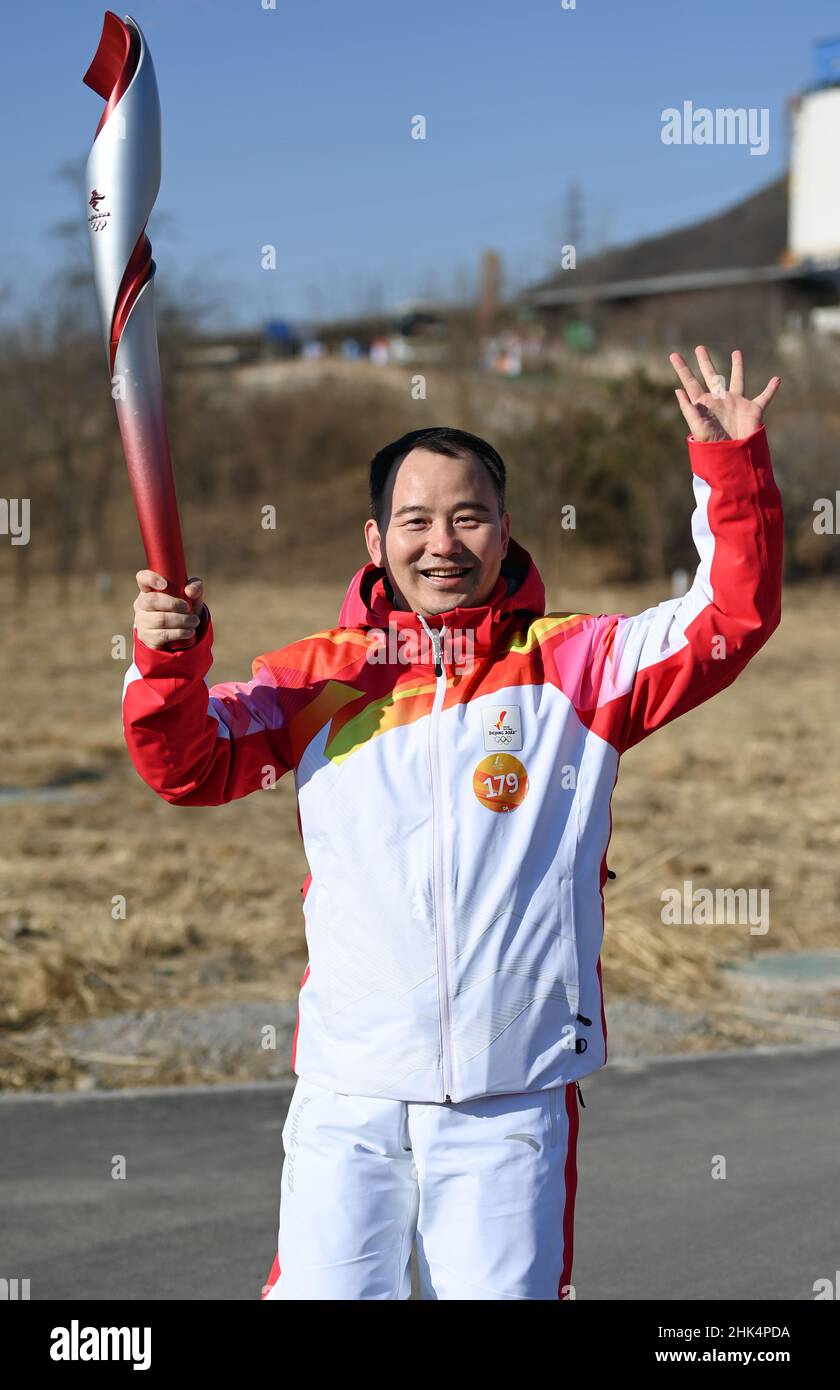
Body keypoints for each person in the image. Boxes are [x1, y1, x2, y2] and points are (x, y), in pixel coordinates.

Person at [123, 347, 783, 1300]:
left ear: (505, 529)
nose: (443, 543)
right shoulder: (315, 680)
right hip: (350, 1092)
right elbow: (185, 765)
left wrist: (730, 469)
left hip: (509, 1096)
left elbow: (730, 617)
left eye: (468, 517)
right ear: (375, 536)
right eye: (417, 520)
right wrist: (164, 664)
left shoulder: (577, 667)